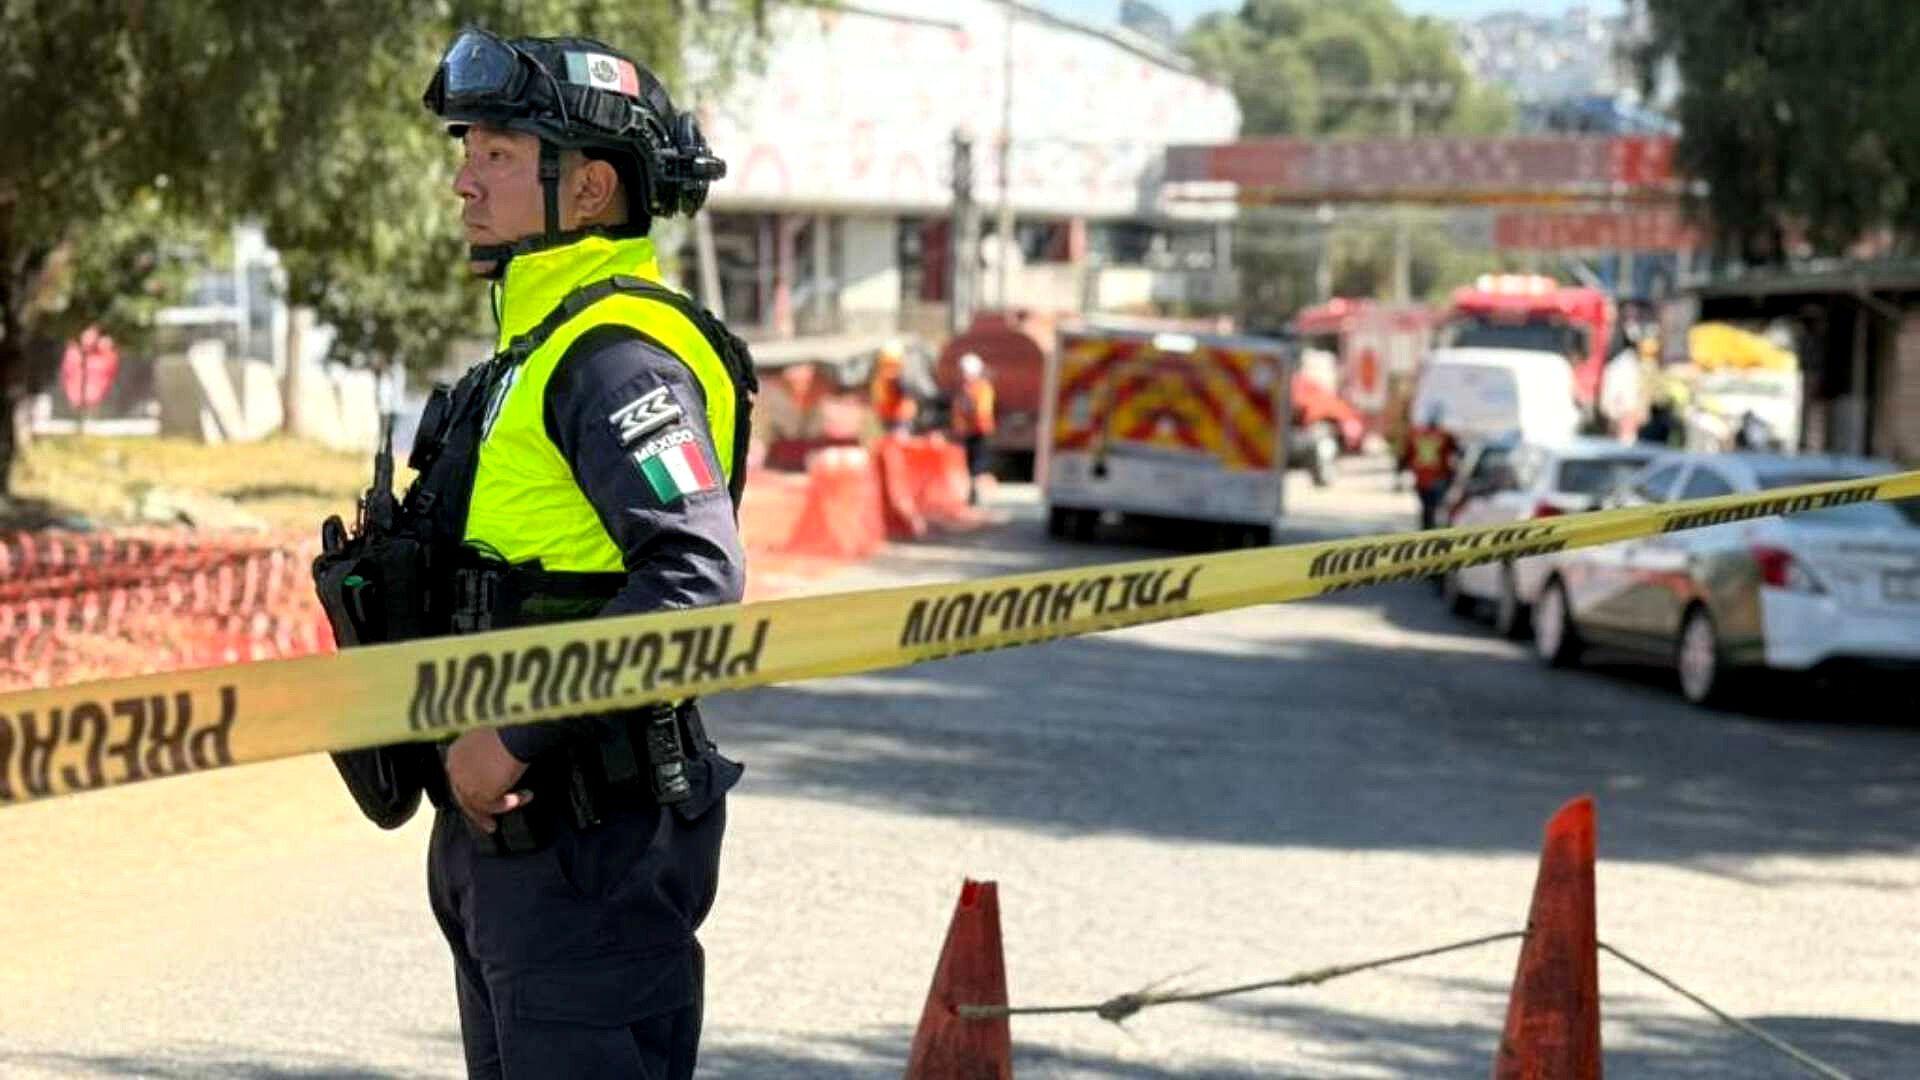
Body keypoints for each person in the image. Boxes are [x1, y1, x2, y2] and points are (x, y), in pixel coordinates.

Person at [406, 30, 750, 1078]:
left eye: (500, 153)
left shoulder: (616, 361)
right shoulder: (530, 354)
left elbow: (694, 579)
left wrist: (510, 734)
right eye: (468, 148)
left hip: (586, 841)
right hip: (517, 849)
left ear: (591, 188)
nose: (464, 178)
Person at [1402, 405, 1460, 530]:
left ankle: (1427, 532)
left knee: (1427, 509)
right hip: (1439, 478)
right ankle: (1437, 533)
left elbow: (1406, 456)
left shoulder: (1415, 434)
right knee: (1438, 508)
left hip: (1421, 478)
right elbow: (1457, 452)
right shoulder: (1445, 435)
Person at [949, 352, 996, 505]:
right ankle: (971, 492)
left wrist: (968, 418)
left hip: (979, 431)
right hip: (968, 431)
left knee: (978, 463)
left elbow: (981, 411)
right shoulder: (965, 389)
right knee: (969, 463)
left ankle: (976, 493)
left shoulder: (982, 388)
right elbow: (958, 410)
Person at [870, 338, 918, 435]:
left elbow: (907, 390)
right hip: (885, 414)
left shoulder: (904, 375)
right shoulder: (879, 377)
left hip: (901, 416)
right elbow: (878, 396)